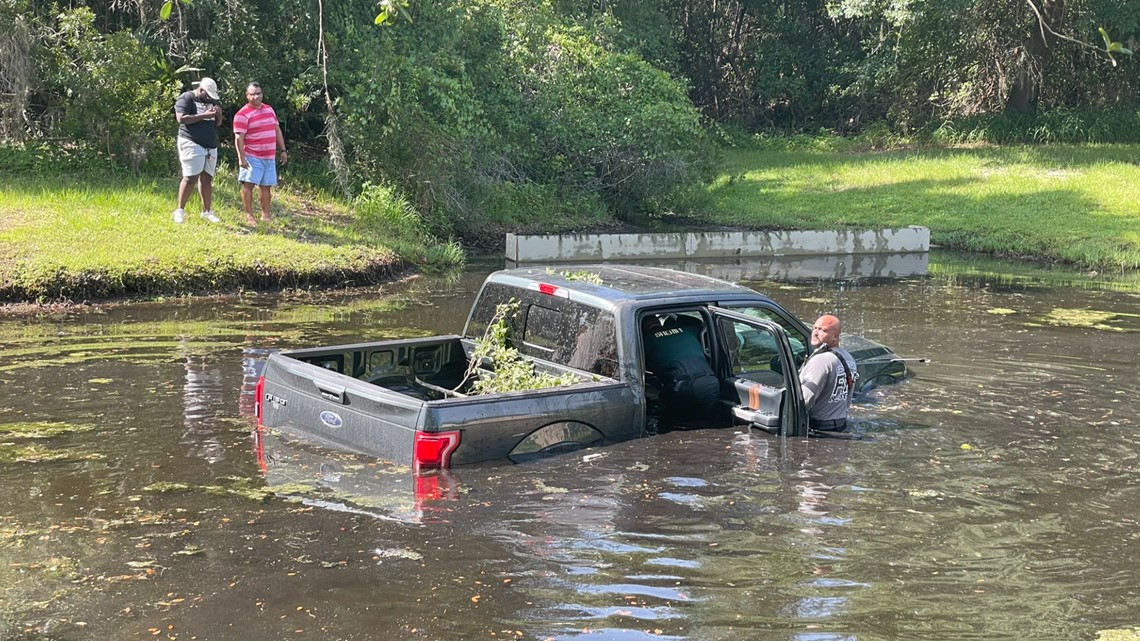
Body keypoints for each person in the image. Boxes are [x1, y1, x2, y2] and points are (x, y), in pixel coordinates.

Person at [642, 313, 720, 423]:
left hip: (681, 386)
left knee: (674, 426)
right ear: (658, 322)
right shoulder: (688, 330)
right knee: (710, 423)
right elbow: (701, 328)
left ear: (642, 328)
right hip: (710, 383)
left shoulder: (646, 340)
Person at [233, 82, 287, 227]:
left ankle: (265, 215)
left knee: (266, 186)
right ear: (247, 95)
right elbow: (239, 138)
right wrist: (241, 158)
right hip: (252, 155)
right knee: (249, 184)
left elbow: (277, 130)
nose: (256, 96)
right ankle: (249, 215)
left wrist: (283, 150)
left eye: (259, 93)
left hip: (269, 156)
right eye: (253, 94)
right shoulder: (242, 114)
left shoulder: (269, 109)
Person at [172, 77, 223, 224]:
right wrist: (204, 115)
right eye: (207, 95)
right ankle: (179, 210)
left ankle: (206, 211)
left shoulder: (211, 101)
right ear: (201, 90)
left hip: (210, 145)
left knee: (207, 179)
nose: (209, 98)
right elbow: (181, 119)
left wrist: (218, 115)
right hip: (191, 141)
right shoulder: (186, 98)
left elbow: (217, 124)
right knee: (190, 177)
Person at [799, 314, 858, 433]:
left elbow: (804, 400)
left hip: (818, 427)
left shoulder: (821, 360)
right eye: (815, 328)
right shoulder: (849, 358)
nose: (815, 333)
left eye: (822, 330)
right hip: (840, 424)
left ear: (835, 336)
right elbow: (848, 398)